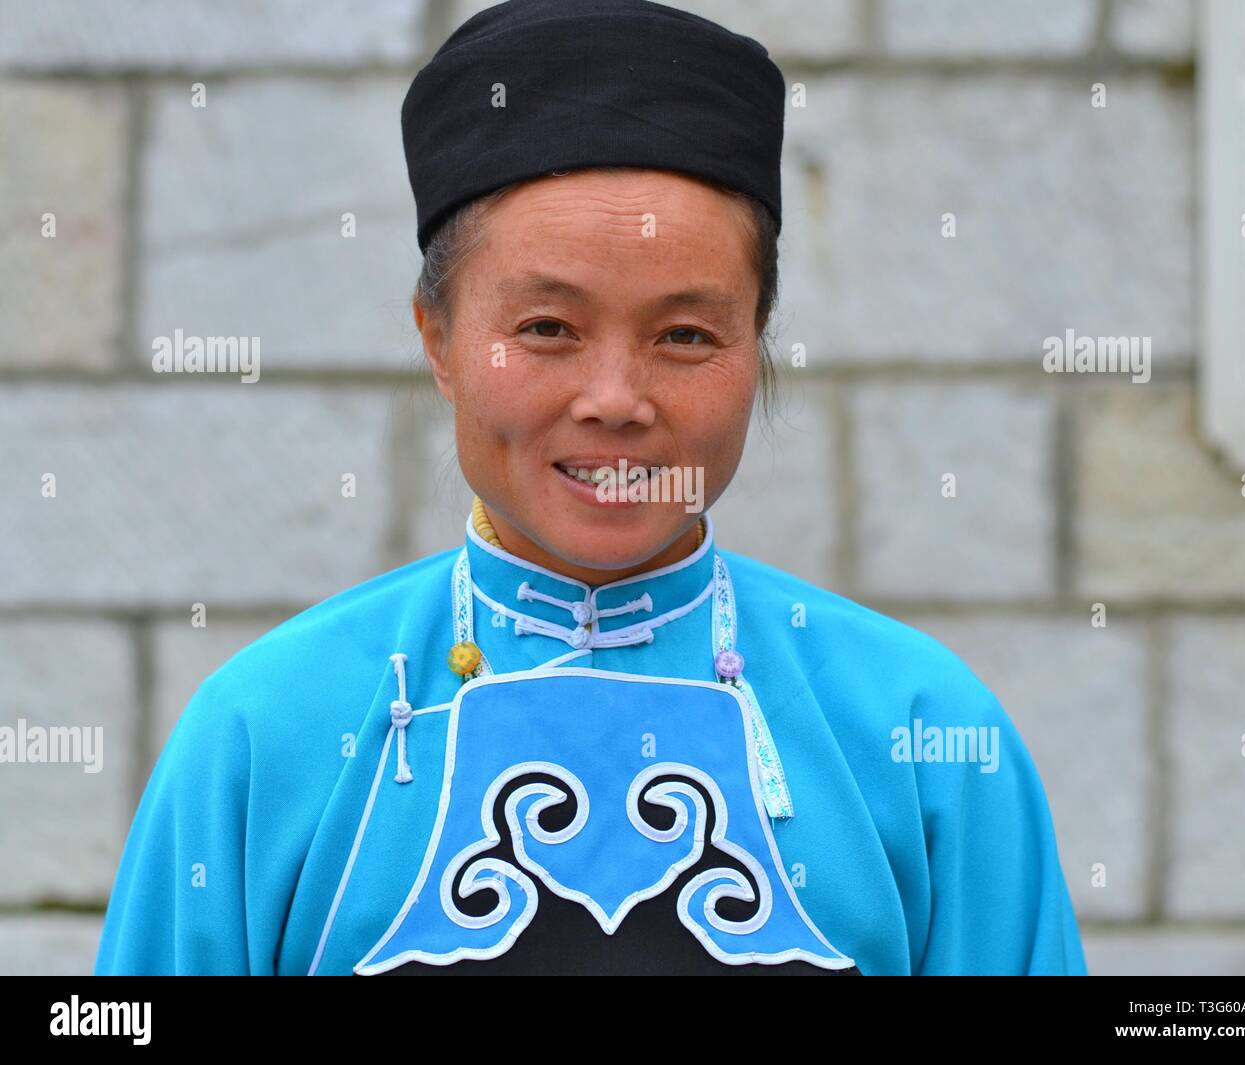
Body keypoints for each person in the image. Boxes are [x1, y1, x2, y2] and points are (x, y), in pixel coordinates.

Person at [95, 0, 1087, 976]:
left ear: (756, 346)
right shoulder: (266, 736)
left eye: (685, 336)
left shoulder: (924, 737)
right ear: (438, 340)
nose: (615, 400)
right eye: (547, 329)